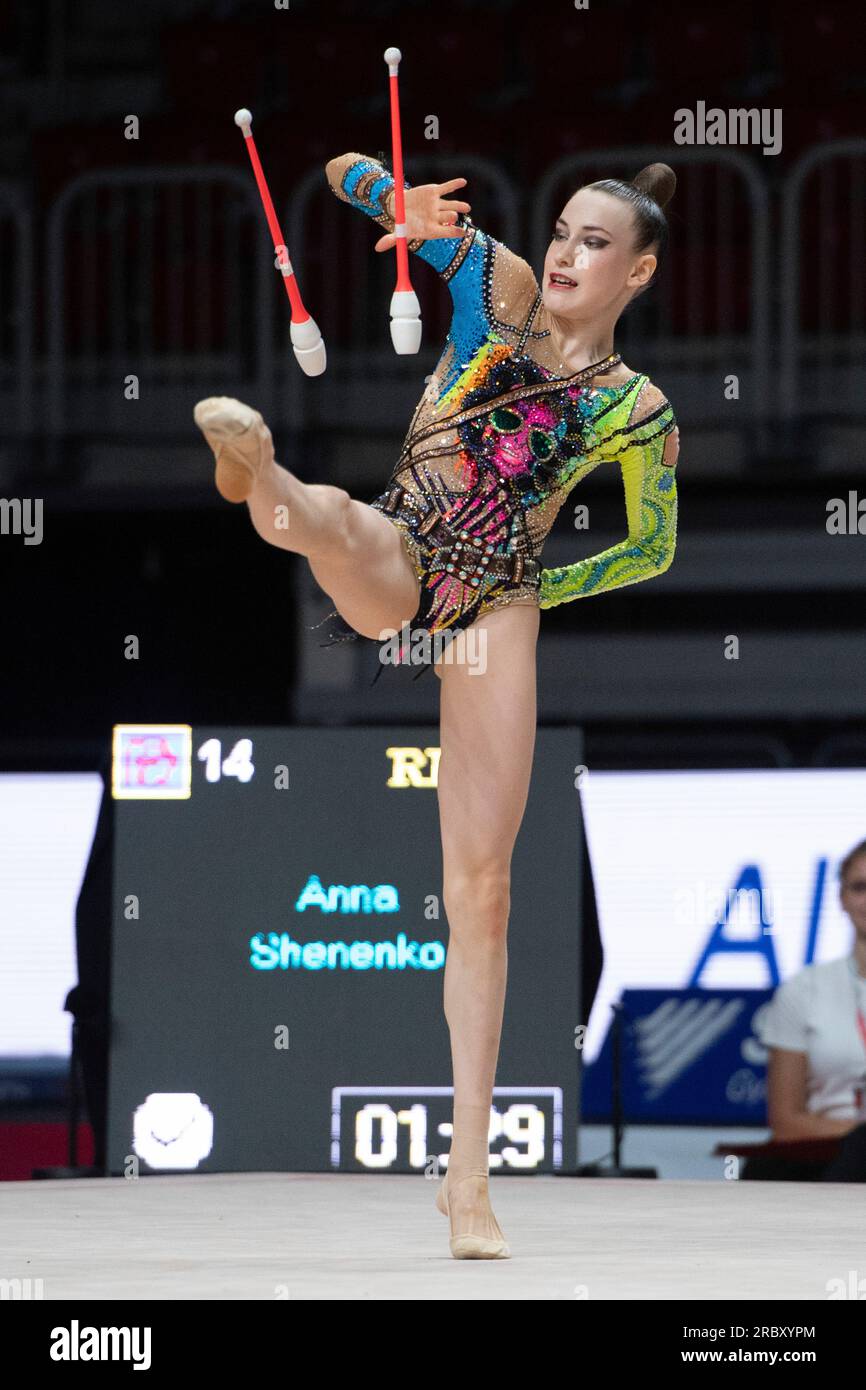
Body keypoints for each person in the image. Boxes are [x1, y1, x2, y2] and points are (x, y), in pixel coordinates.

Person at [193, 151, 680, 1257]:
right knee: (342, 532)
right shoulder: (495, 286)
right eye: (562, 228)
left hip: (497, 601)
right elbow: (338, 171)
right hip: (407, 549)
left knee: (484, 890)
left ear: (636, 274)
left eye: (594, 243)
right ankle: (257, 473)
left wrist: (533, 587)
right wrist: (389, 196)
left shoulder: (633, 409)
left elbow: (650, 546)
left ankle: (467, 1178)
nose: (564, 251)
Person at [748, 838, 866, 1181]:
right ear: (842, 899)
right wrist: (857, 1135)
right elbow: (786, 1122)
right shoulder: (804, 991)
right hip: (830, 1155)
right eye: (860, 887)